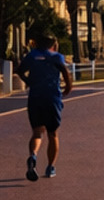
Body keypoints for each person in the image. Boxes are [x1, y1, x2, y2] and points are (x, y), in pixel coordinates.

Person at [17, 33, 74, 180]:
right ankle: (50, 167)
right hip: (51, 97)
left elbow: (19, 70)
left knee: (37, 133)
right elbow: (64, 70)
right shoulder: (56, 56)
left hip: (35, 97)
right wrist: (68, 86)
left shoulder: (32, 55)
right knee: (52, 134)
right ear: (53, 44)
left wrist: (29, 81)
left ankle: (33, 156)